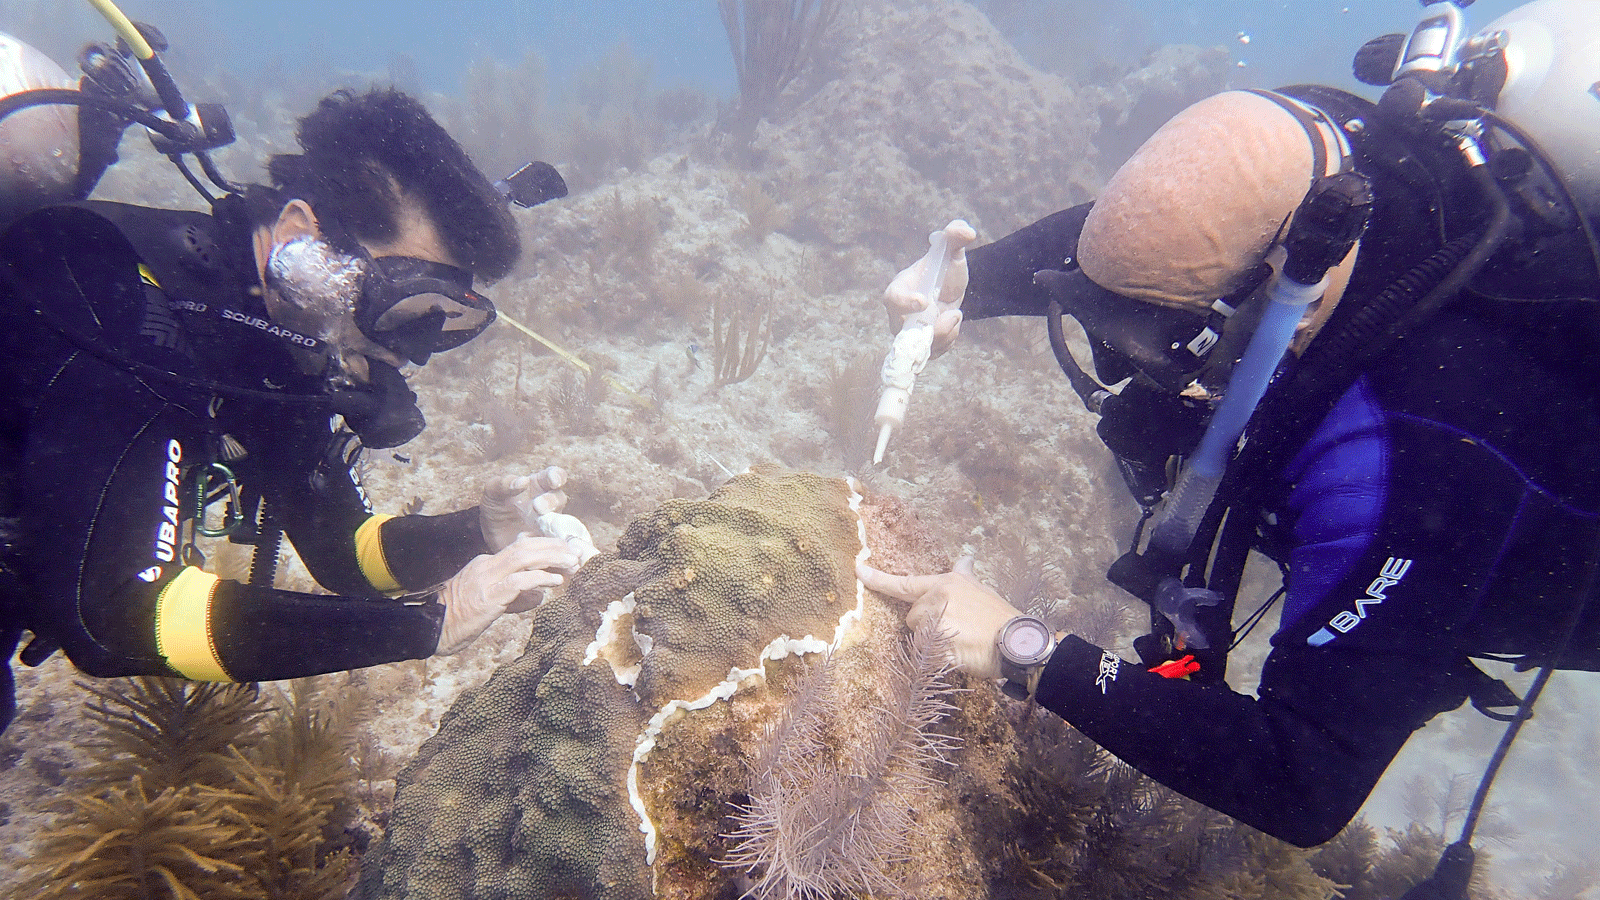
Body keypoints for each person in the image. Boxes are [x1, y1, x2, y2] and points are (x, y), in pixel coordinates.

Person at [860, 0, 1600, 851]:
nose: (1120, 377)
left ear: (1283, 302)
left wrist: (1028, 650)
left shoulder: (1403, 461)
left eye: (1163, 353)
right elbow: (1154, 241)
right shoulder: (1325, 191)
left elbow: (1305, 782)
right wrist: (969, 284)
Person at [0, 81, 583, 733]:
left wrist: (478, 532)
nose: (408, 355)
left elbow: (346, 551)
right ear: (302, 239)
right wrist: (432, 620)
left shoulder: (277, 351)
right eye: (401, 305)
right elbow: (119, 608)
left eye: (439, 323)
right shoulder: (111, 291)